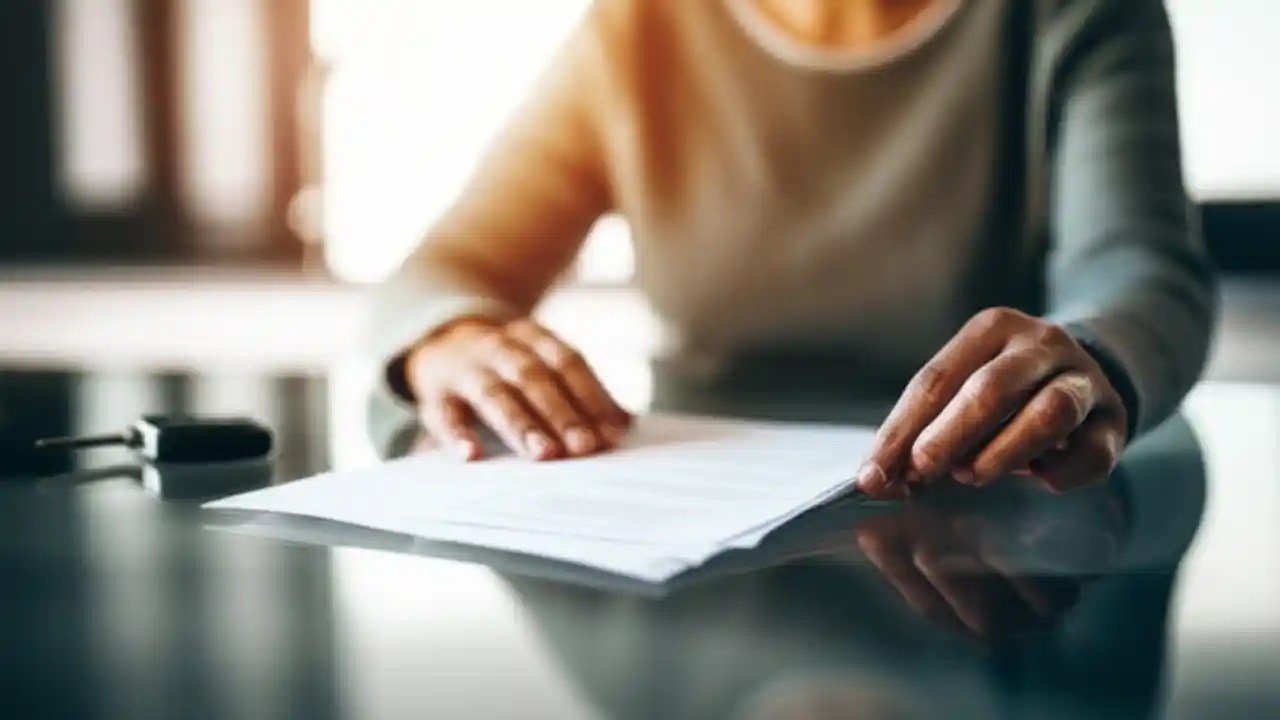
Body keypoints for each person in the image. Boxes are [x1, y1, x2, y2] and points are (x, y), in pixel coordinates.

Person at [369, 0, 1216, 499]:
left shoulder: (1080, 13)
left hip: (992, 516)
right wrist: (451, 337)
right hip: (691, 502)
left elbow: (1142, 270)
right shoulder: (645, 25)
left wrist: (1093, 357)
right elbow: (445, 272)